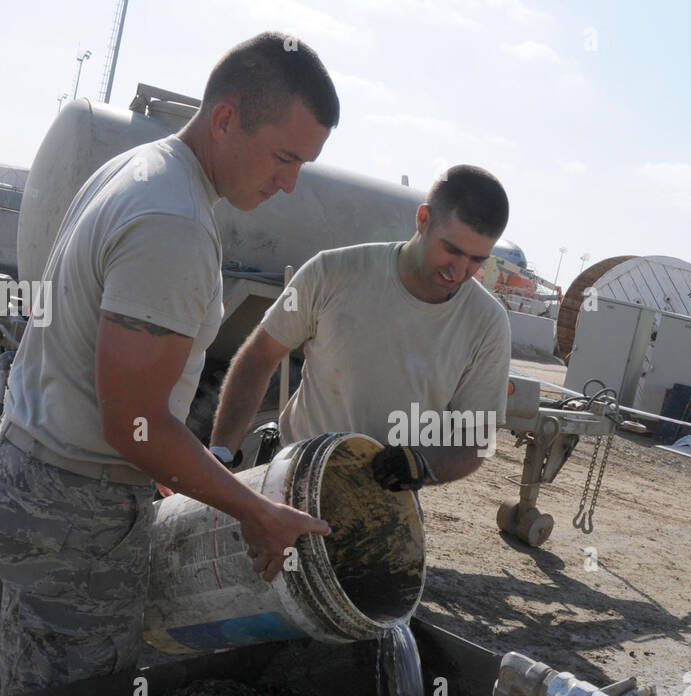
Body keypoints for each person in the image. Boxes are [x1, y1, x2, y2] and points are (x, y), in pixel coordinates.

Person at [0, 34, 338, 696]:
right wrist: (252, 510)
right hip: (72, 516)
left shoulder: (142, 167)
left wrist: (168, 468)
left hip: (18, 470)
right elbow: (132, 423)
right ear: (226, 118)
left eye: (303, 164)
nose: (290, 183)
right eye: (285, 157)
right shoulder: (175, 224)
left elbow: (117, 404)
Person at [209, 165, 512, 493]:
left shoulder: (487, 324)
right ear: (423, 220)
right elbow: (259, 357)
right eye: (451, 250)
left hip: (385, 506)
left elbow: (477, 439)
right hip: (291, 486)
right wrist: (222, 451)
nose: (458, 271)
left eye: (476, 260)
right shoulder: (331, 272)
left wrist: (422, 465)